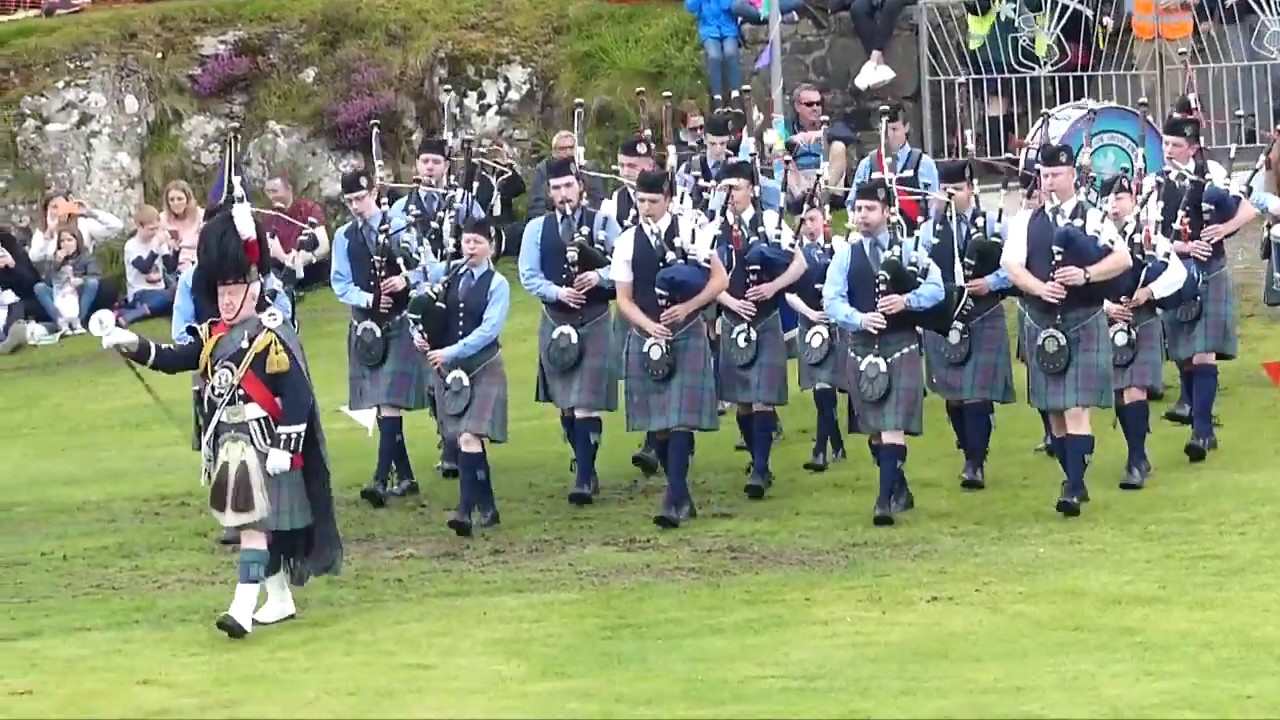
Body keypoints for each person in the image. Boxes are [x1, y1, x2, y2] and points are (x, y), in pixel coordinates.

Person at [97, 200, 342, 640]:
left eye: (235, 292)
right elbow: (173, 358)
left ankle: (241, 609)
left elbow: (298, 396)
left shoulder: (272, 335)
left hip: (267, 447)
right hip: (230, 445)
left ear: (253, 290)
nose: (226, 300)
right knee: (254, 527)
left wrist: (287, 449)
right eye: (222, 292)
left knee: (251, 530)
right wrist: (128, 341)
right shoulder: (214, 338)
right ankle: (280, 598)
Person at [1002, 143, 1131, 517]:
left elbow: (1121, 258)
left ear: (1072, 175)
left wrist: (1086, 274)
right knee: (1054, 411)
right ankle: (1072, 475)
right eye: (1044, 175)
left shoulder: (1092, 217)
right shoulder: (1027, 221)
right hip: (1042, 322)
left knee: (1075, 408)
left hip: (1083, 318)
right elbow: (1011, 265)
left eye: (1056, 174)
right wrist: (1039, 288)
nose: (1049, 181)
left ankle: (1073, 488)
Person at [825, 179, 945, 525]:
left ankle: (883, 502)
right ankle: (899, 488)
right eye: (858, 209)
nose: (862, 216)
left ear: (887, 211)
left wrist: (906, 300)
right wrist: (859, 319)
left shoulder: (909, 250)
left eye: (870, 209)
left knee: (892, 425)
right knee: (875, 430)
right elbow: (832, 300)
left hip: (901, 345)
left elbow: (937, 287)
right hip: (862, 347)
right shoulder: (846, 254)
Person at [612, 169, 729, 527]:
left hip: (687, 332)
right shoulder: (627, 241)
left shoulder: (692, 231)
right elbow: (623, 299)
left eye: (652, 201)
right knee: (659, 425)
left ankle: (673, 498)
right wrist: (649, 327)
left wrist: (688, 307)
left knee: (679, 420)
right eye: (641, 201)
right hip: (648, 336)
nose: (646, 208)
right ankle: (680, 494)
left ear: (668, 199)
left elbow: (719, 280)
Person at [518, 157, 623, 505]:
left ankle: (583, 478)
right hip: (556, 321)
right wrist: (558, 292)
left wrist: (599, 277)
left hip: (593, 318)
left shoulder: (603, 222)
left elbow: (623, 262)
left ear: (580, 186)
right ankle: (584, 462)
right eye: (556, 188)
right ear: (549, 192)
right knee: (565, 404)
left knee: (585, 403)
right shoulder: (537, 229)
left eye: (568, 186)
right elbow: (528, 275)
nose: (563, 194)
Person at [1153, 114, 1253, 461]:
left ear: (1193, 147)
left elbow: (1249, 208)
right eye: (1165, 143)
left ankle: (1202, 431)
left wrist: (1223, 230)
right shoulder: (1158, 181)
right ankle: (1199, 416)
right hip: (1175, 271)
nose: (1168, 150)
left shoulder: (1213, 173)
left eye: (1176, 145)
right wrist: (1185, 247)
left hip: (1210, 270)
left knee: (1203, 351)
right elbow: (1155, 237)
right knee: (1183, 354)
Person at [332, 168, 432, 507]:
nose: (357, 206)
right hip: (366, 327)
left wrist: (405, 280)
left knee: (389, 399)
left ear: (374, 192)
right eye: (350, 201)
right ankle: (405, 477)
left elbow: (429, 267)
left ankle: (379, 478)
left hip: (399, 322)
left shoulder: (402, 226)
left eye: (361, 198)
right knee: (381, 401)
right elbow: (340, 283)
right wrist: (368, 299)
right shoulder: (344, 236)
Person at [713, 159, 808, 500]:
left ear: (752, 189)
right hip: (733, 317)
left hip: (765, 319)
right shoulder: (712, 228)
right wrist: (727, 300)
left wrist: (773, 288)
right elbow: (706, 275)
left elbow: (799, 264)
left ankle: (762, 468)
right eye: (724, 189)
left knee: (763, 398)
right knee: (742, 402)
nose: (730, 195)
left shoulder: (770, 222)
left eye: (735, 188)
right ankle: (756, 459)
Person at [918, 159, 1015, 490]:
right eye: (943, 191)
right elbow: (918, 268)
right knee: (955, 396)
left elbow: (1015, 264)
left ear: (971, 190)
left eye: (955, 190)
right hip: (945, 317)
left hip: (983, 314)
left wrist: (991, 281)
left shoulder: (992, 224)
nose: (949, 196)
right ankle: (968, 447)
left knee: (976, 394)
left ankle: (976, 462)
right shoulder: (930, 230)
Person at [414, 218, 511, 536]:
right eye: (467, 241)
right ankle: (489, 508)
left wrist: (451, 351)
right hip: (452, 371)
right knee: (464, 439)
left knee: (470, 437)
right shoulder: (448, 274)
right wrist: (420, 334)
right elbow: (420, 307)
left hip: (484, 367)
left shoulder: (498, 285)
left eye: (478, 242)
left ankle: (464, 511)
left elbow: (489, 331)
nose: (471, 247)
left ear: (490, 246)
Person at [1100, 173, 1188, 489]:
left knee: (1134, 388)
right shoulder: (1095, 236)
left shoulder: (1148, 236)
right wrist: (1108, 307)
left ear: (1134, 201)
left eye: (1120, 198)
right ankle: (1136, 453)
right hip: (1108, 321)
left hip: (1143, 320)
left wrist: (1149, 292)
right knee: (1121, 394)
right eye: (1109, 198)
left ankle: (1136, 459)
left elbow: (1177, 272)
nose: (1113, 204)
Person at [784, 202, 848, 472]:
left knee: (826, 389)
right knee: (821, 391)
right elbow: (788, 292)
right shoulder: (794, 254)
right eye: (804, 221)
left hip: (834, 328)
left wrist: (835, 312)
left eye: (813, 219)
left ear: (824, 218)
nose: (809, 226)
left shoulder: (839, 248)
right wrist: (809, 312)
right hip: (809, 326)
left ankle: (820, 450)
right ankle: (836, 443)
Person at [848, 103, 939, 236]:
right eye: (884, 130)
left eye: (894, 129)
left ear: (906, 127)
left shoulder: (924, 163)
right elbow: (853, 203)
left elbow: (933, 207)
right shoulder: (867, 164)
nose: (889, 135)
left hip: (914, 236)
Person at [261, 170, 331, 294]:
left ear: (289, 189)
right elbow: (271, 244)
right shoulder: (269, 215)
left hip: (308, 264)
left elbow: (323, 244)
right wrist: (286, 259)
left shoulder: (309, 208)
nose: (271, 196)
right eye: (268, 192)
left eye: (275, 191)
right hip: (283, 266)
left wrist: (308, 257)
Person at [119, 204, 178, 327]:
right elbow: (144, 268)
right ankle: (135, 313)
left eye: (157, 228)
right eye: (151, 229)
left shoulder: (158, 241)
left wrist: (176, 250)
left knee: (178, 295)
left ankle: (138, 312)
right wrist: (156, 249)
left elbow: (171, 268)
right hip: (140, 292)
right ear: (139, 226)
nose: (155, 232)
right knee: (171, 296)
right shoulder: (132, 246)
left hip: (160, 290)